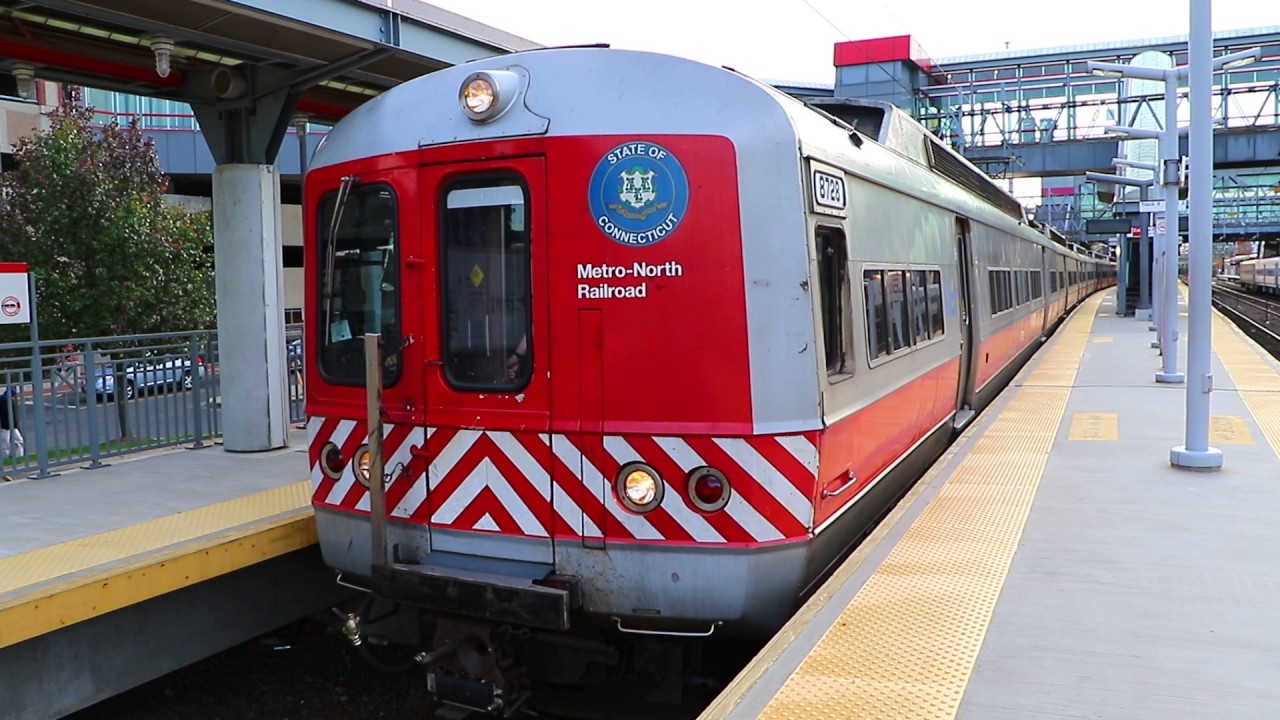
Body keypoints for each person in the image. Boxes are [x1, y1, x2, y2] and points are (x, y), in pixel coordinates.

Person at [0, 385, 24, 462]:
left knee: (8, 442)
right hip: (5, 424)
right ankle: (12, 458)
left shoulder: (5, 399)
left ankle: (15, 458)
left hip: (8, 424)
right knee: (8, 442)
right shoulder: (5, 400)